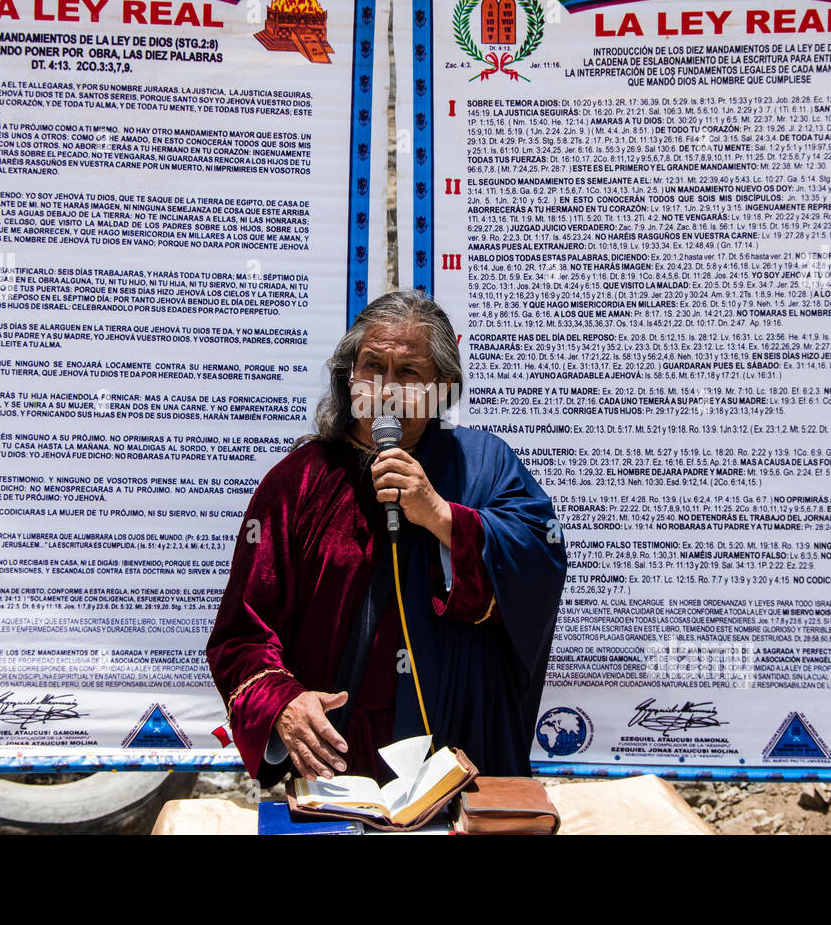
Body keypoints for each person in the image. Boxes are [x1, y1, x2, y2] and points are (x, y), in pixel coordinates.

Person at [206, 290, 567, 785]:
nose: (387, 390)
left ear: (442, 387)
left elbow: (539, 565)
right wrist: (283, 704)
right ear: (349, 378)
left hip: (460, 749)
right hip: (340, 761)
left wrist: (443, 516)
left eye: (410, 373)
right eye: (372, 367)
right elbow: (241, 635)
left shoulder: (484, 463)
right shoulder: (297, 483)